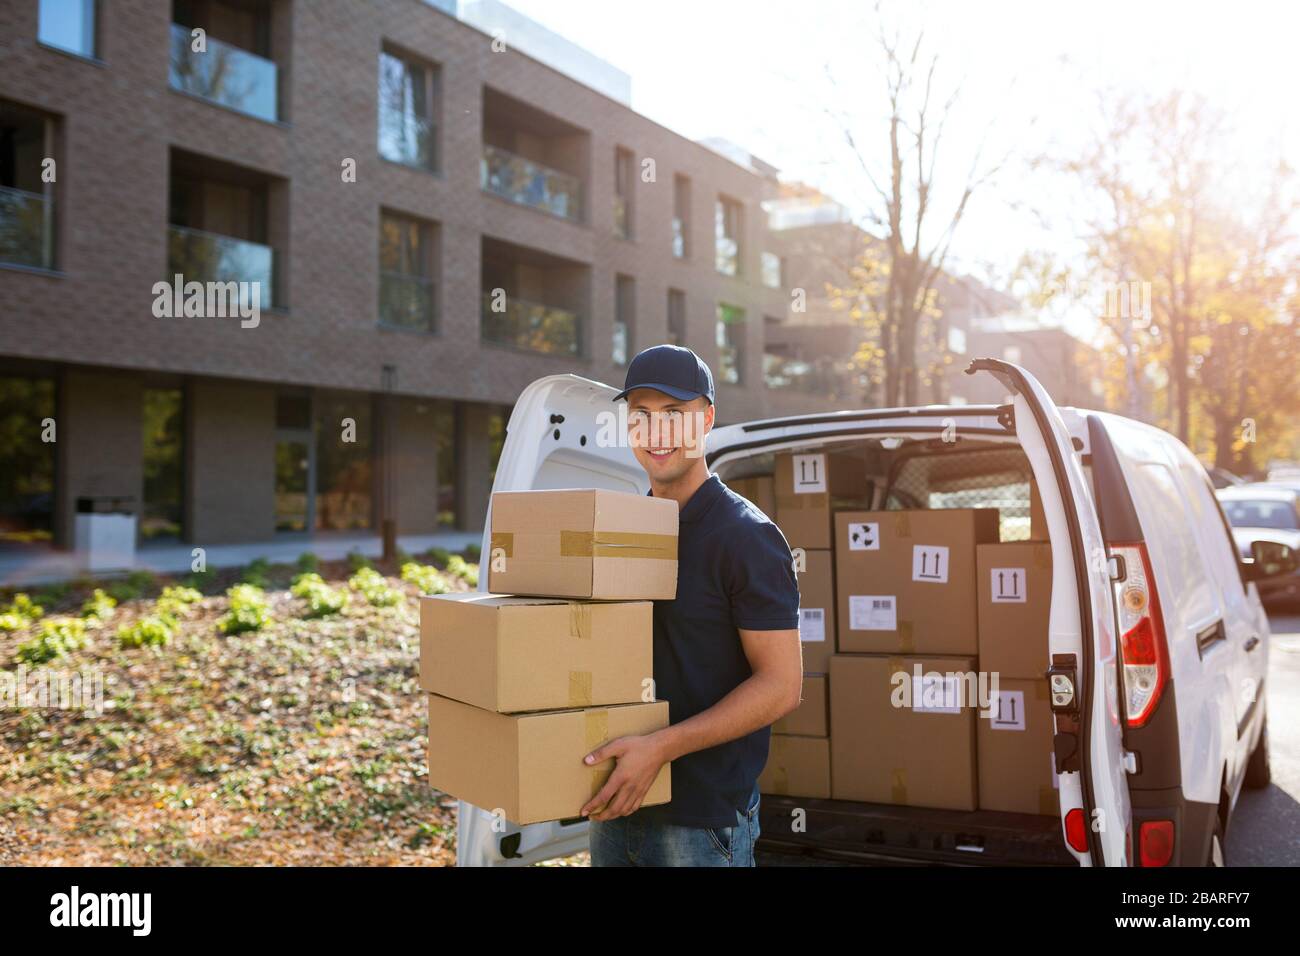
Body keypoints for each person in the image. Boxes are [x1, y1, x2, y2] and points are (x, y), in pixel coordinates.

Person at [582, 344, 803, 867]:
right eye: (642, 415)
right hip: (617, 802)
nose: (657, 432)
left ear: (706, 419)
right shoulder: (623, 531)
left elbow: (781, 686)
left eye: (674, 414)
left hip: (701, 824)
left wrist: (660, 747)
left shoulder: (746, 538)